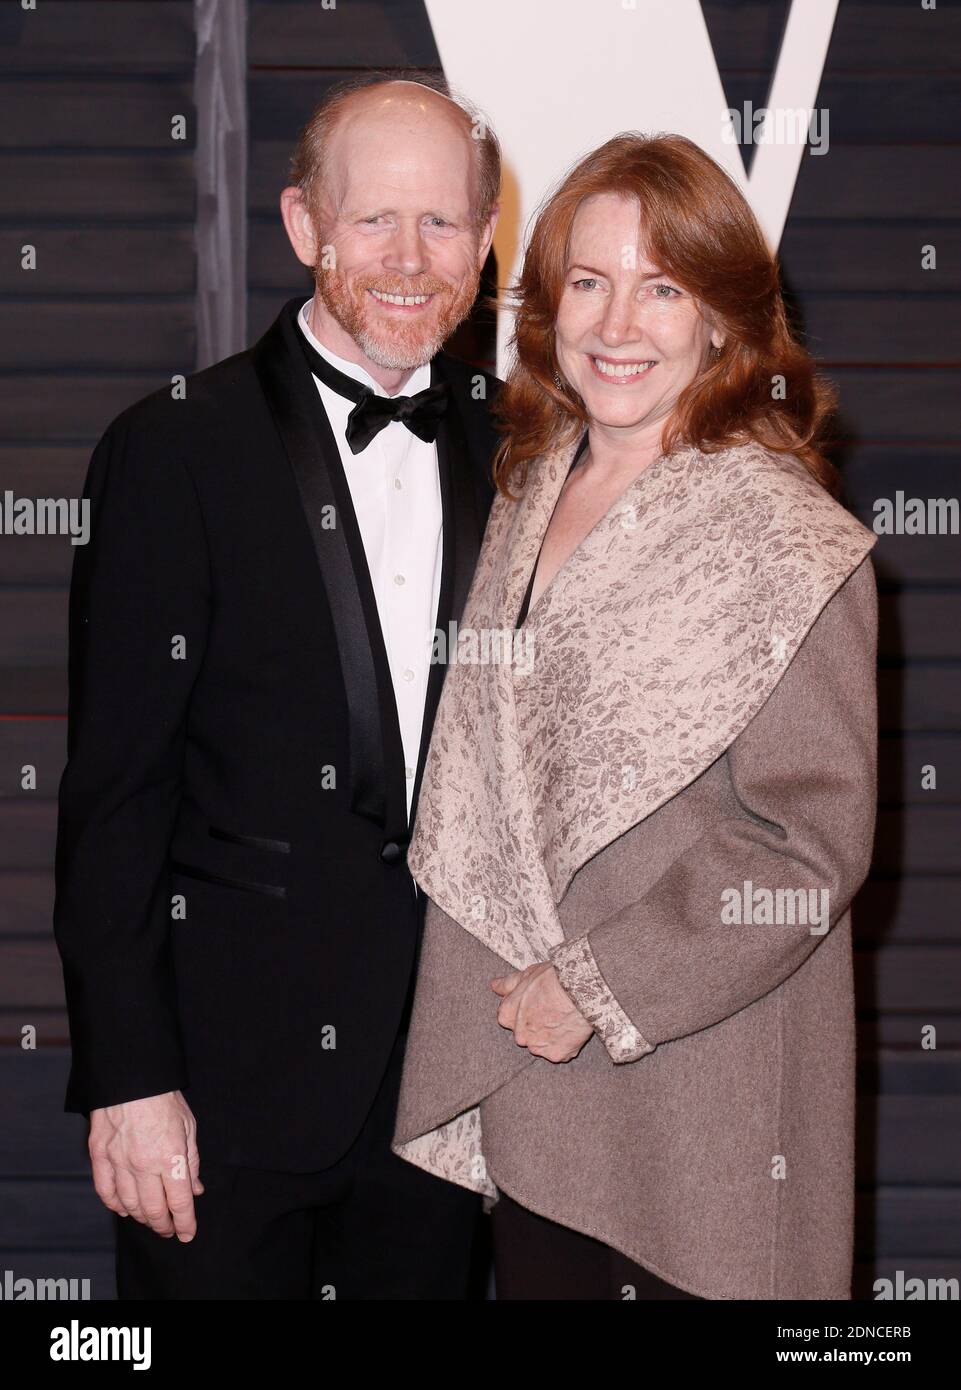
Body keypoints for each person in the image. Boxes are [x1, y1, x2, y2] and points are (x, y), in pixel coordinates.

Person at [392, 132, 878, 1300]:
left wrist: (602, 983)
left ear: (721, 318)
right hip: (536, 1104)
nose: (618, 325)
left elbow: (808, 846)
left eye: (662, 288)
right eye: (589, 284)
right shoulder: (531, 481)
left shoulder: (785, 539)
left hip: (695, 1115)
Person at [53, 73, 500, 1300]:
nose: (411, 260)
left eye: (443, 224)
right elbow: (114, 797)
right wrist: (129, 1078)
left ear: (484, 236)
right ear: (304, 227)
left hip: (449, 1096)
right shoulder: (175, 448)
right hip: (218, 1098)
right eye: (374, 223)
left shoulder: (519, 443)